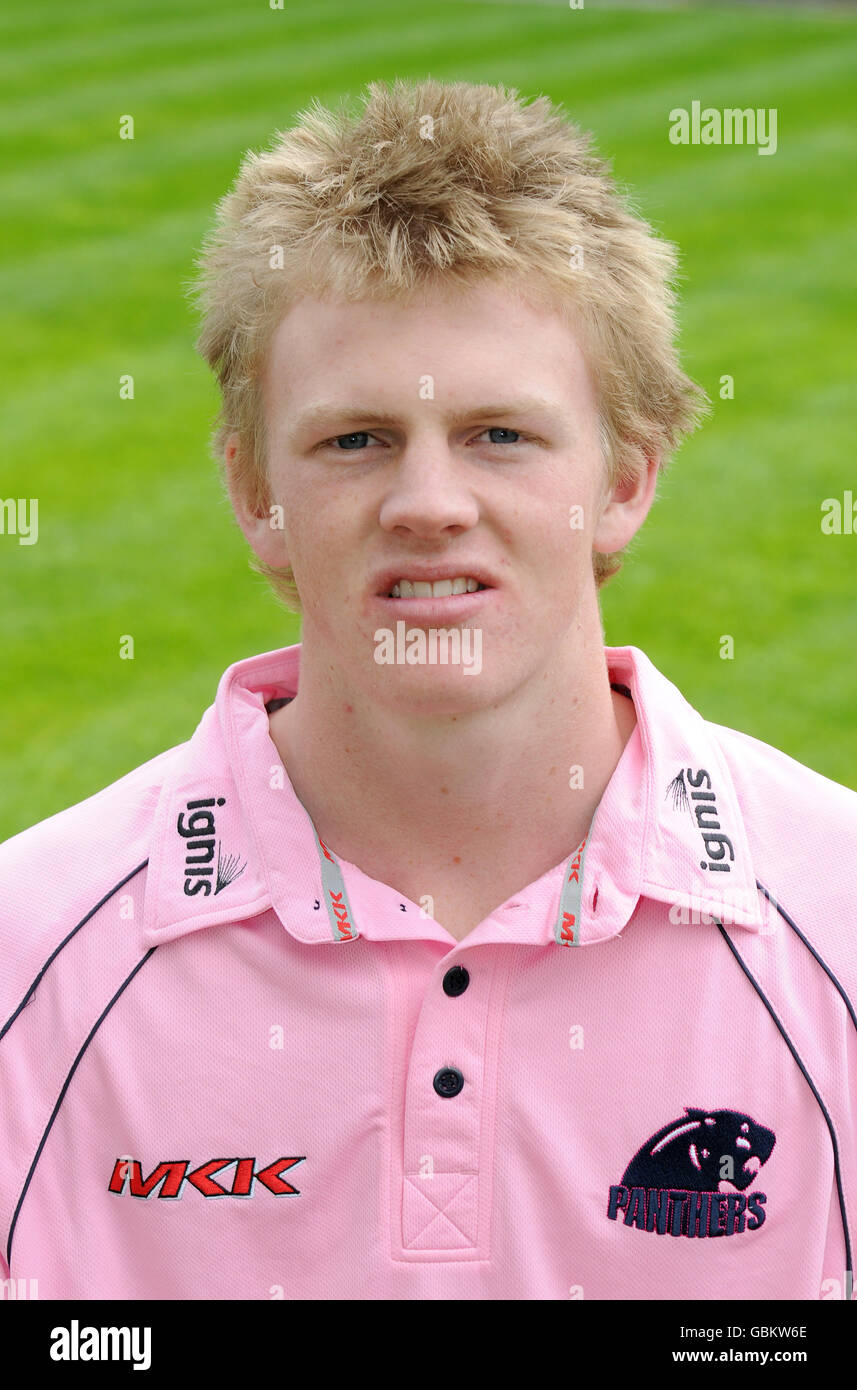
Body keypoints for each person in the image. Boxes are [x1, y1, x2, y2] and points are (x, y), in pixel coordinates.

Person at [1, 78, 854, 1303]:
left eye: (501, 434)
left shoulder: (836, 929)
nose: (429, 503)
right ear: (255, 495)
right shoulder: (29, 955)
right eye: (354, 441)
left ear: (625, 478)